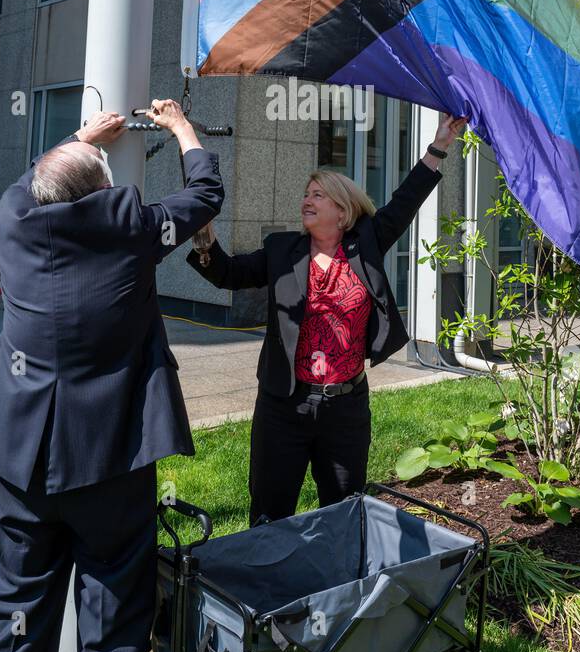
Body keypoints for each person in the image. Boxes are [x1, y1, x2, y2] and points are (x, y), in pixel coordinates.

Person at [0, 99, 223, 652]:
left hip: (17, 462)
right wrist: (182, 128)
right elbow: (205, 193)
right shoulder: (132, 228)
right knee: (111, 622)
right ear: (101, 193)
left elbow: (26, 186)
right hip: (111, 464)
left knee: (14, 626)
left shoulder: (13, 223)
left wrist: (79, 138)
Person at [187, 113, 467, 524]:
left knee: (343, 509)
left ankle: (335, 584)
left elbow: (406, 200)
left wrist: (439, 145)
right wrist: (203, 233)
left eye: (318, 194)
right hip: (285, 403)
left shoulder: (366, 244)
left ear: (343, 209)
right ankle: (268, 585)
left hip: (346, 406)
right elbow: (226, 272)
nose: (307, 200)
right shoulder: (283, 251)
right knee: (269, 510)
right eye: (306, 193)